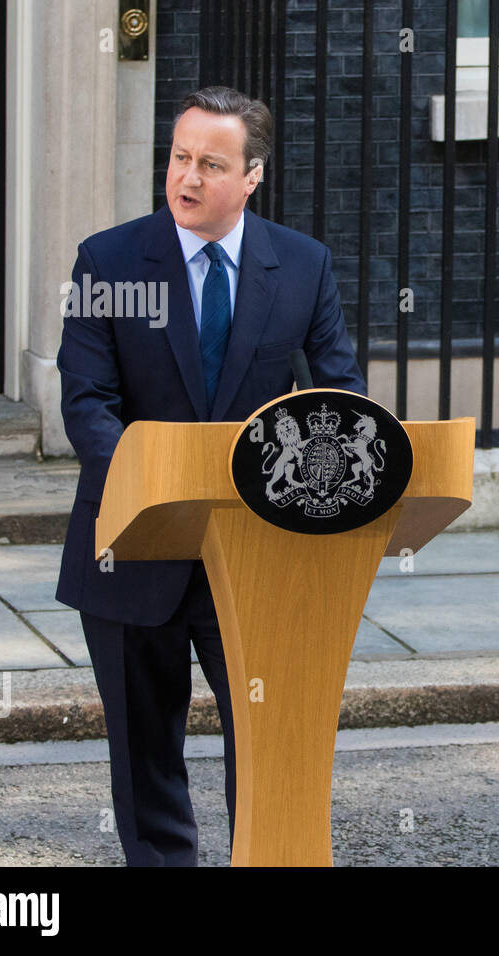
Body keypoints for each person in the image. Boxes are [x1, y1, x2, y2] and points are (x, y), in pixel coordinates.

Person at [55, 86, 366, 865]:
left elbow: (341, 398)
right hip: (133, 543)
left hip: (257, 555)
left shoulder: (301, 266)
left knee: (266, 749)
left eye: (211, 164)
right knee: (145, 754)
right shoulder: (110, 260)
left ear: (253, 176)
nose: (186, 178)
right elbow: (88, 404)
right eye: (179, 157)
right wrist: (150, 483)